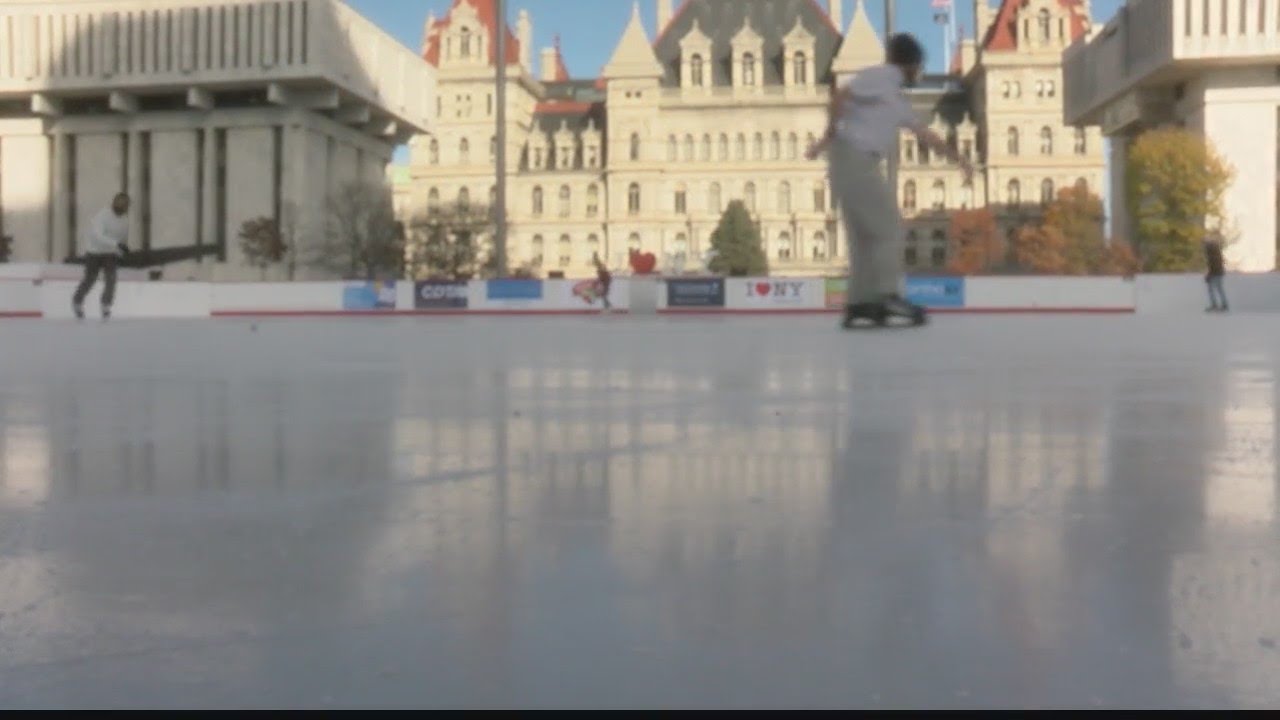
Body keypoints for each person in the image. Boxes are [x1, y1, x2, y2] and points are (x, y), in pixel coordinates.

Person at [806, 34, 973, 328]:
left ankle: (860, 302)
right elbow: (842, 95)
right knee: (889, 227)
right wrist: (830, 134)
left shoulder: (893, 96)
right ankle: (886, 294)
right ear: (910, 64)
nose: (918, 73)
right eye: (918, 66)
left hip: (850, 160)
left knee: (863, 237)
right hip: (855, 159)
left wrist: (958, 159)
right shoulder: (885, 76)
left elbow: (925, 134)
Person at [73, 193, 131, 320]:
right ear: (114, 202)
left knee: (111, 279)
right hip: (94, 252)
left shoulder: (125, 220)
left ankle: (106, 305)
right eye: (119, 202)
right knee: (90, 279)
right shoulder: (103, 215)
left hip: (110, 254)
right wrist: (117, 244)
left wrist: (122, 250)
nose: (122, 206)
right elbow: (98, 236)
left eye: (125, 204)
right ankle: (77, 301)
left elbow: (122, 239)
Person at [1204, 232, 1228, 313]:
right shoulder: (1216, 250)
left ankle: (1216, 304)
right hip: (1219, 272)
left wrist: (1209, 274)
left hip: (1215, 272)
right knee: (1218, 288)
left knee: (1213, 289)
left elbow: (1213, 265)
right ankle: (1223, 304)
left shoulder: (1211, 252)